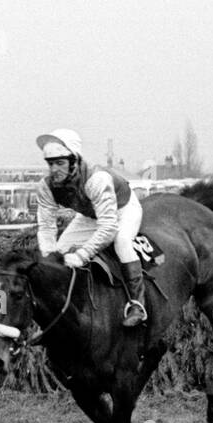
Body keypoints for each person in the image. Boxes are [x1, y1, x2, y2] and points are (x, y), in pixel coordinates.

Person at [34, 127, 148, 326]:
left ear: (74, 161)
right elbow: (46, 227)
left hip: (123, 209)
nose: (54, 170)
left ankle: (137, 304)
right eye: (50, 164)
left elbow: (108, 227)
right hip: (90, 214)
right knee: (59, 251)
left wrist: (81, 255)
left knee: (122, 241)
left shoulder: (96, 179)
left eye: (60, 163)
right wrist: (48, 256)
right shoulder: (46, 187)